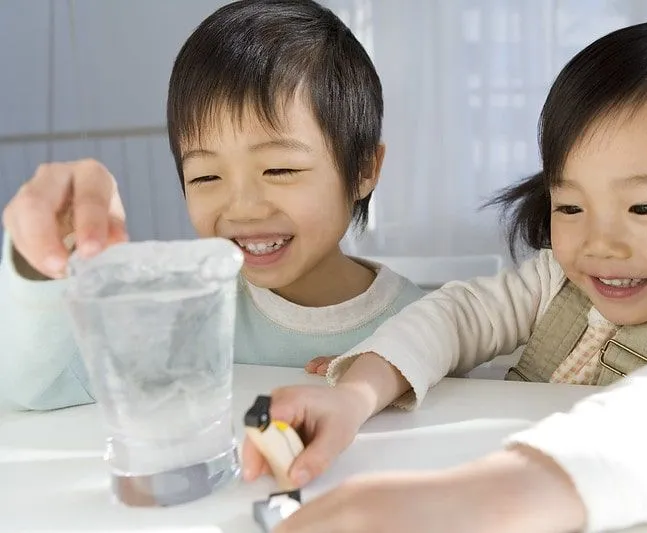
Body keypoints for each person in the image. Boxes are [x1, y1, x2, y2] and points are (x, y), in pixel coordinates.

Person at [245, 17, 647, 532]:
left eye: (646, 208)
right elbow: (457, 315)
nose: (598, 244)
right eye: (571, 207)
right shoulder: (554, 279)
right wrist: (357, 394)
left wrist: (479, 498)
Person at [0, 0, 423, 411]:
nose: (242, 207)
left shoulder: (428, 325)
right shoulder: (187, 315)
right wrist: (42, 257)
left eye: (279, 169)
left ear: (364, 169)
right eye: (206, 176)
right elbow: (40, 387)